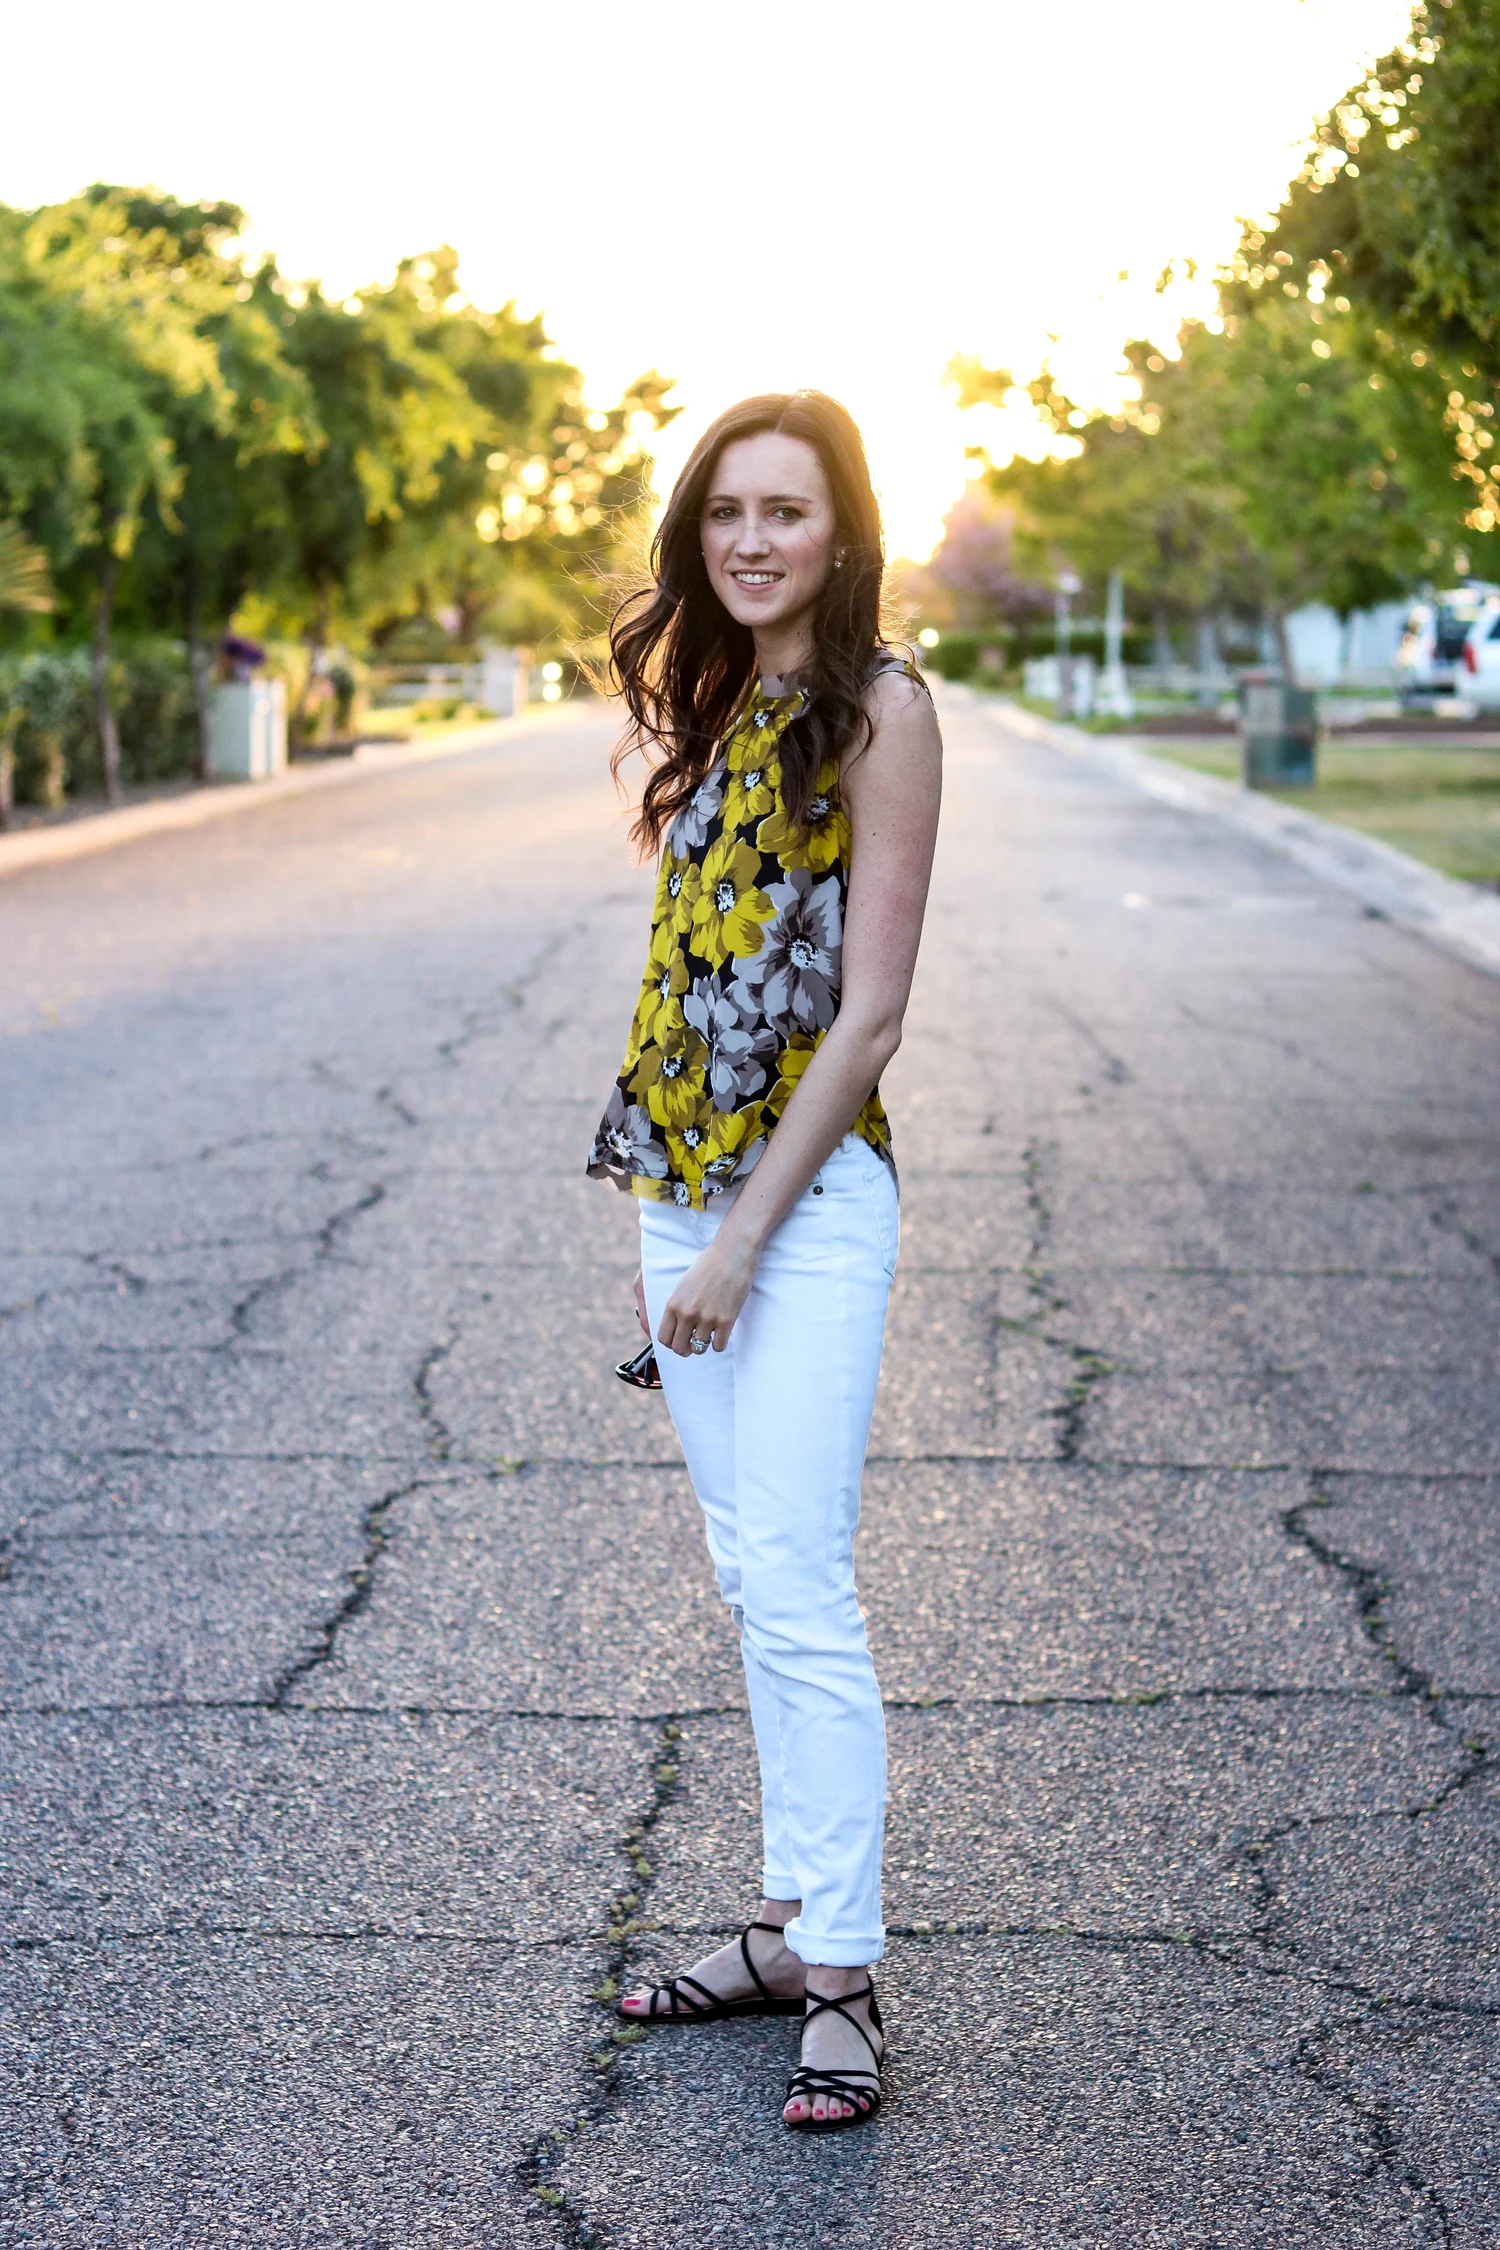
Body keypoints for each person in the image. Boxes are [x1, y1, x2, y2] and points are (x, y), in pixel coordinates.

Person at [587, 390, 942, 2131]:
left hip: (792, 1217)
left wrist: (734, 1244)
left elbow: (869, 1015)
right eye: (724, 510)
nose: (748, 540)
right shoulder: (726, 703)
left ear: (844, 531)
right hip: (682, 1197)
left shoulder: (885, 708)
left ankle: (849, 1970)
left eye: (784, 512)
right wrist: (684, 1225)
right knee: (753, 1580)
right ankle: (801, 1924)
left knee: (798, 1578)